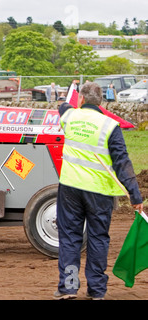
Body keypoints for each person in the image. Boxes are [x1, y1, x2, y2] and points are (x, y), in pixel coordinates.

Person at [54, 82, 143, 300]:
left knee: (70, 238)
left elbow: (62, 107)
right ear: (101, 102)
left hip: (71, 188)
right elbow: (122, 162)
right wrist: (135, 194)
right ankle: (96, 290)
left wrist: (66, 100)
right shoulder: (110, 126)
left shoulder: (69, 117)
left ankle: (69, 287)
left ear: (81, 100)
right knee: (98, 239)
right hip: (99, 192)